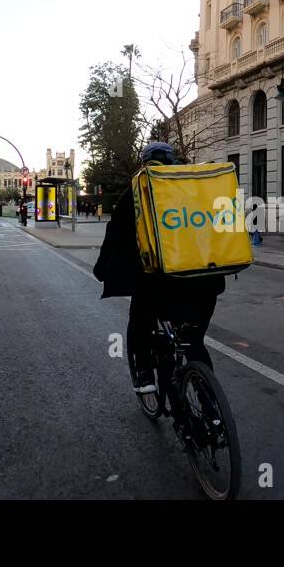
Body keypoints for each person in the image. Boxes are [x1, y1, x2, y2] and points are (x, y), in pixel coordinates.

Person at [94, 142, 225, 394]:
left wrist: (102, 269)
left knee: (139, 321)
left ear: (146, 164)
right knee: (194, 343)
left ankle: (144, 375)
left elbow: (116, 235)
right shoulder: (196, 188)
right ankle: (208, 398)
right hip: (206, 281)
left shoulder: (139, 191)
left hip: (160, 284)